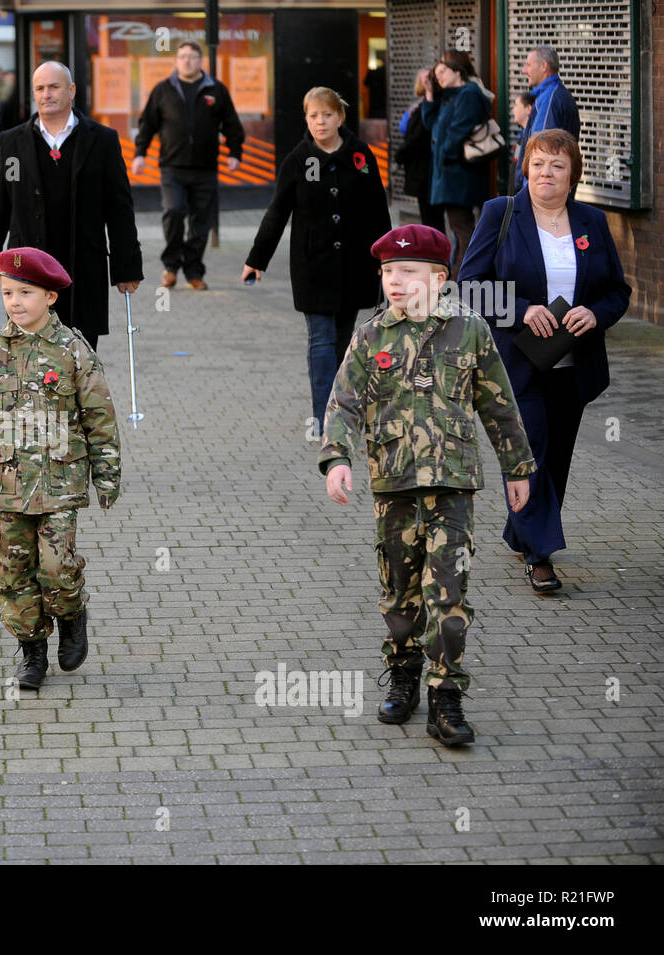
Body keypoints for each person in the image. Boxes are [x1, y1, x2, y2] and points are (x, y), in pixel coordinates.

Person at [319, 224, 535, 747]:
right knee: (399, 592)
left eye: (408, 272)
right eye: (389, 272)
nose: (395, 281)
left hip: (453, 484)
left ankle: (447, 697)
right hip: (392, 484)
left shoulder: (470, 331)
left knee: (449, 593)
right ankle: (404, 674)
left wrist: (518, 468)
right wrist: (336, 460)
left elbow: (499, 405)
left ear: (440, 278)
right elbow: (343, 402)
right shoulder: (371, 336)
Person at [459, 129, 631, 593]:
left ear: (573, 173)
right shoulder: (502, 213)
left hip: (574, 364)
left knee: (555, 460)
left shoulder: (592, 222)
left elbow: (618, 291)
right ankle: (539, 556)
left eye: (557, 165)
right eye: (538, 164)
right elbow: (469, 283)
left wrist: (593, 314)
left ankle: (522, 528)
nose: (546, 173)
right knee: (529, 452)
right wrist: (522, 310)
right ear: (525, 169)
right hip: (516, 363)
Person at [0, 247, 120, 690]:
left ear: (51, 297)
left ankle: (71, 613)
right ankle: (31, 652)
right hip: (7, 485)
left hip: (60, 482)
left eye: (25, 292)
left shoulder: (73, 350)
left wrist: (107, 473)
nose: (15, 302)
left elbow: (99, 415)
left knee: (56, 567)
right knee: (13, 571)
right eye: (7, 293)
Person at [242, 87, 391, 429]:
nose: (320, 122)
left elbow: (377, 211)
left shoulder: (360, 155)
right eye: (313, 116)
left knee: (343, 339)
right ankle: (325, 416)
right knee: (321, 339)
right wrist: (256, 259)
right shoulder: (298, 160)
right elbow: (277, 212)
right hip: (314, 267)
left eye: (327, 115)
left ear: (340, 117)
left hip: (355, 265)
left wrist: (387, 259)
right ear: (306, 119)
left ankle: (343, 408)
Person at [0, 62, 143, 351]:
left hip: (83, 265)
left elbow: (119, 209)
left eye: (54, 87)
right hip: (28, 267)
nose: (46, 94)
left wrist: (126, 268)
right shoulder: (12, 142)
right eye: (40, 88)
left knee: (81, 356)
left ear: (71, 90)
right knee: (29, 357)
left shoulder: (102, 140)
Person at [132, 40, 244, 290]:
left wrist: (235, 152)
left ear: (200, 60)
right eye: (182, 56)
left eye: (192, 57)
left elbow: (232, 124)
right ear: (176, 61)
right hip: (172, 167)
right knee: (173, 212)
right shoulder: (163, 89)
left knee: (200, 223)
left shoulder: (216, 90)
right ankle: (171, 266)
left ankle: (193, 270)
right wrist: (140, 153)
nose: (187, 61)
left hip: (206, 169)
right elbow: (148, 123)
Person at [420, 49, 493, 278]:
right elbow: (431, 125)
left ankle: (464, 279)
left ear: (457, 71)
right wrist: (430, 94)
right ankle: (460, 278)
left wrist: (444, 155)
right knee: (460, 229)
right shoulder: (452, 95)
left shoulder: (468, 93)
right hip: (451, 174)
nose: (438, 76)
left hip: (459, 175)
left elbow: (456, 132)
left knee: (463, 229)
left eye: (442, 71)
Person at [515, 46, 579, 194]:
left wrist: (528, 193)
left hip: (544, 195)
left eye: (528, 65)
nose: (524, 70)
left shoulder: (550, 98)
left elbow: (541, 150)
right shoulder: (553, 95)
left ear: (544, 66)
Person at [394, 69, 445, 234]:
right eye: (424, 79)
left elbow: (422, 134)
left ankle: (437, 257)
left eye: (430, 78)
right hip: (419, 169)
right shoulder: (417, 106)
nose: (427, 82)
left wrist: (400, 154)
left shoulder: (434, 105)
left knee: (432, 220)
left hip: (427, 171)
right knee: (428, 218)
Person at [508, 92, 535, 193]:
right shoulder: (523, 135)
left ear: (528, 109)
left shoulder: (531, 138)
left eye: (516, 105)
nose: (513, 109)